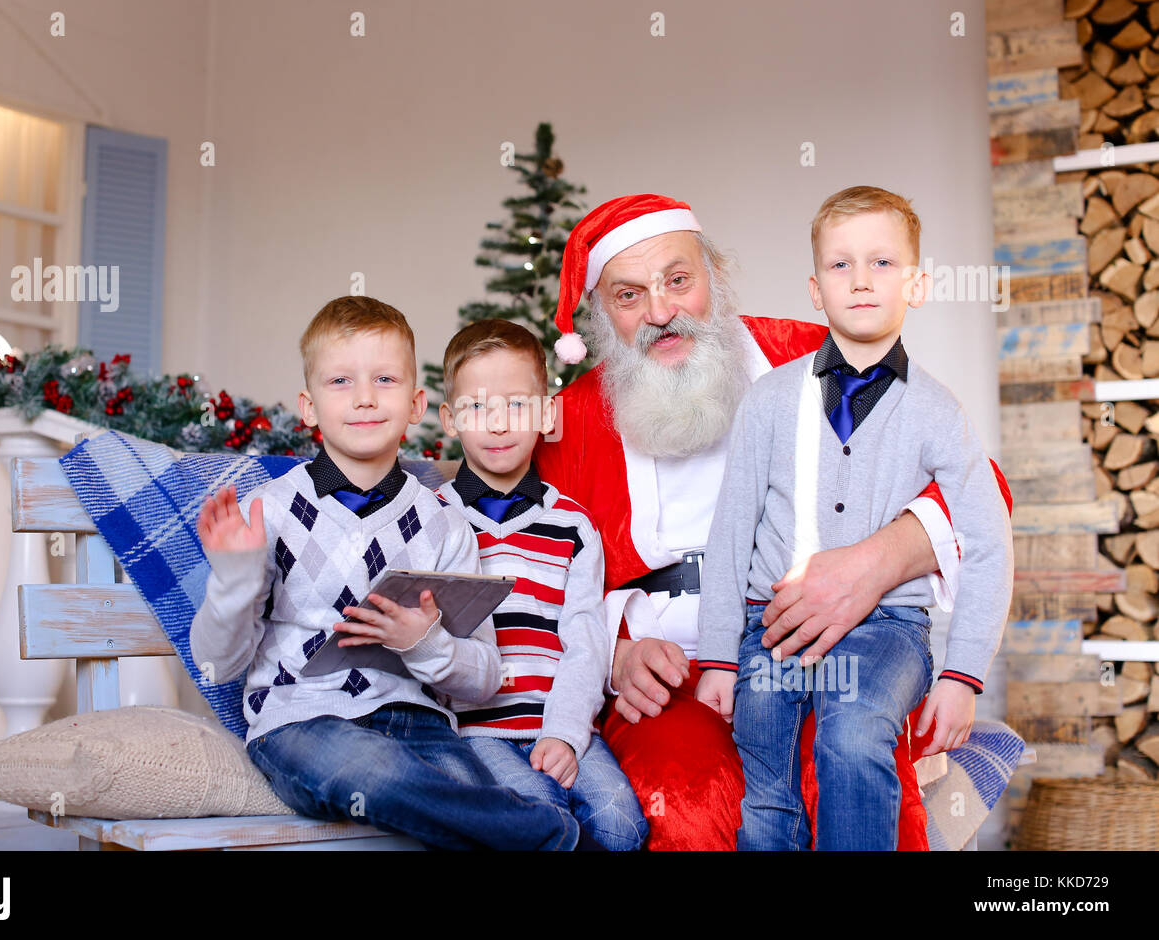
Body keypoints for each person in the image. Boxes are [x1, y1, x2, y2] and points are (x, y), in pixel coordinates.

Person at [534, 193, 1014, 850]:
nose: (660, 312)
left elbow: (983, 494)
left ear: (715, 277)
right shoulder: (572, 420)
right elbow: (525, 566)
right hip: (674, 672)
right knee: (688, 806)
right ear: (600, 315)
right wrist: (614, 654)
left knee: (849, 769)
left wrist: (873, 564)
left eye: (678, 280)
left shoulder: (810, 353)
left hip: (823, 643)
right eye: (628, 296)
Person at [188, 295, 598, 850]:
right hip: (306, 722)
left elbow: (483, 677)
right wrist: (234, 579)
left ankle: (532, 833)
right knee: (378, 771)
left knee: (466, 794)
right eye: (340, 382)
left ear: (416, 404)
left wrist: (424, 641)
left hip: (423, 725)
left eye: (384, 379)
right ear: (308, 407)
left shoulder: (444, 523)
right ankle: (558, 839)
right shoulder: (270, 512)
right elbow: (217, 665)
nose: (363, 398)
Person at [695, 185, 1014, 849]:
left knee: (853, 731)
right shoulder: (770, 401)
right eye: (841, 265)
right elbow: (730, 533)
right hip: (770, 625)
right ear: (815, 289)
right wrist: (720, 658)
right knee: (764, 775)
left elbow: (987, 541)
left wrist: (961, 675)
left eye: (882, 263)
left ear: (918, 284)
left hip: (888, 629)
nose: (862, 280)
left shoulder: (938, 411)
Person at [434, 319, 649, 851]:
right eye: (478, 407)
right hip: (473, 731)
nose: (499, 425)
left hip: (561, 720)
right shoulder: (432, 519)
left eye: (516, 405)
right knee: (539, 813)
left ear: (546, 414)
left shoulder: (572, 525)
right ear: (449, 420)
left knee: (622, 822)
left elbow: (586, 637)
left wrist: (565, 733)